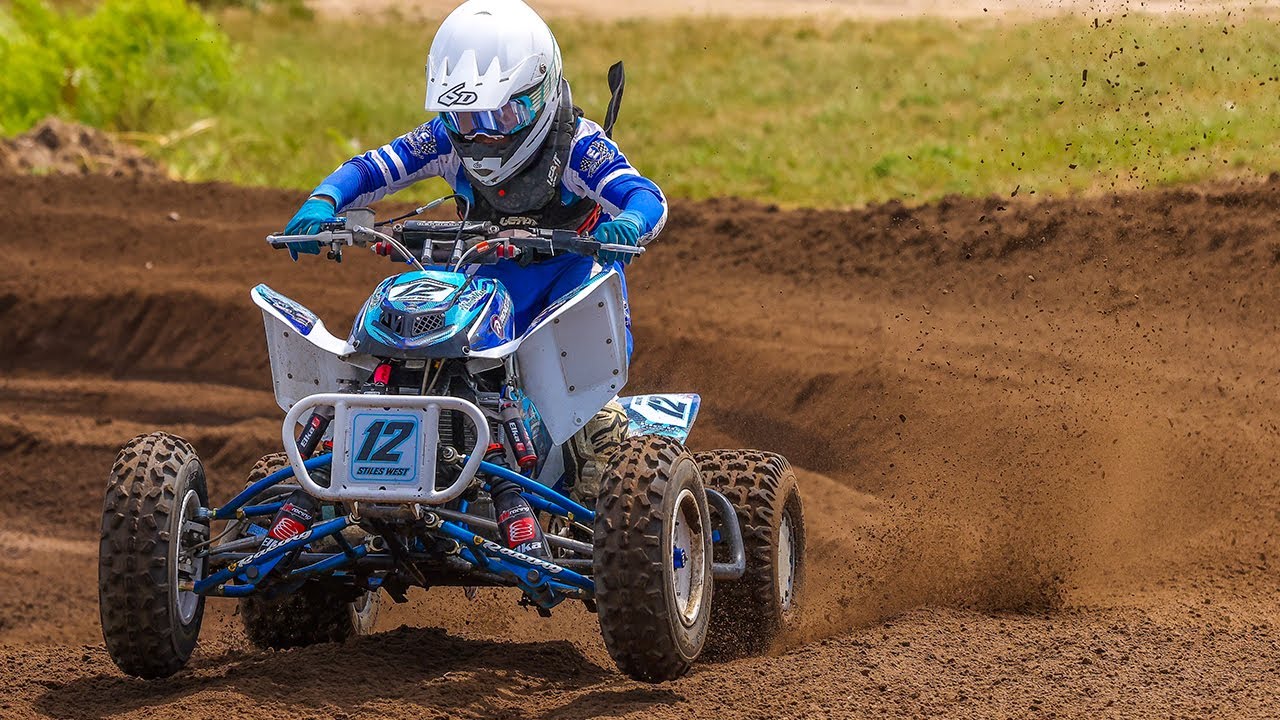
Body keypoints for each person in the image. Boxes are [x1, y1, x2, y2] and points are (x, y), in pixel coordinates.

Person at [281, 0, 663, 540]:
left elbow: (644, 195)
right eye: (464, 119)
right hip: (481, 291)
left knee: (594, 456)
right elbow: (372, 168)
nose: (481, 136)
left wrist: (628, 225)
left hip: (568, 295)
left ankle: (601, 442)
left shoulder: (578, 144)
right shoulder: (444, 141)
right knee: (401, 348)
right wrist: (324, 202)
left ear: (540, 94)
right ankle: (356, 467)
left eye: (497, 117)